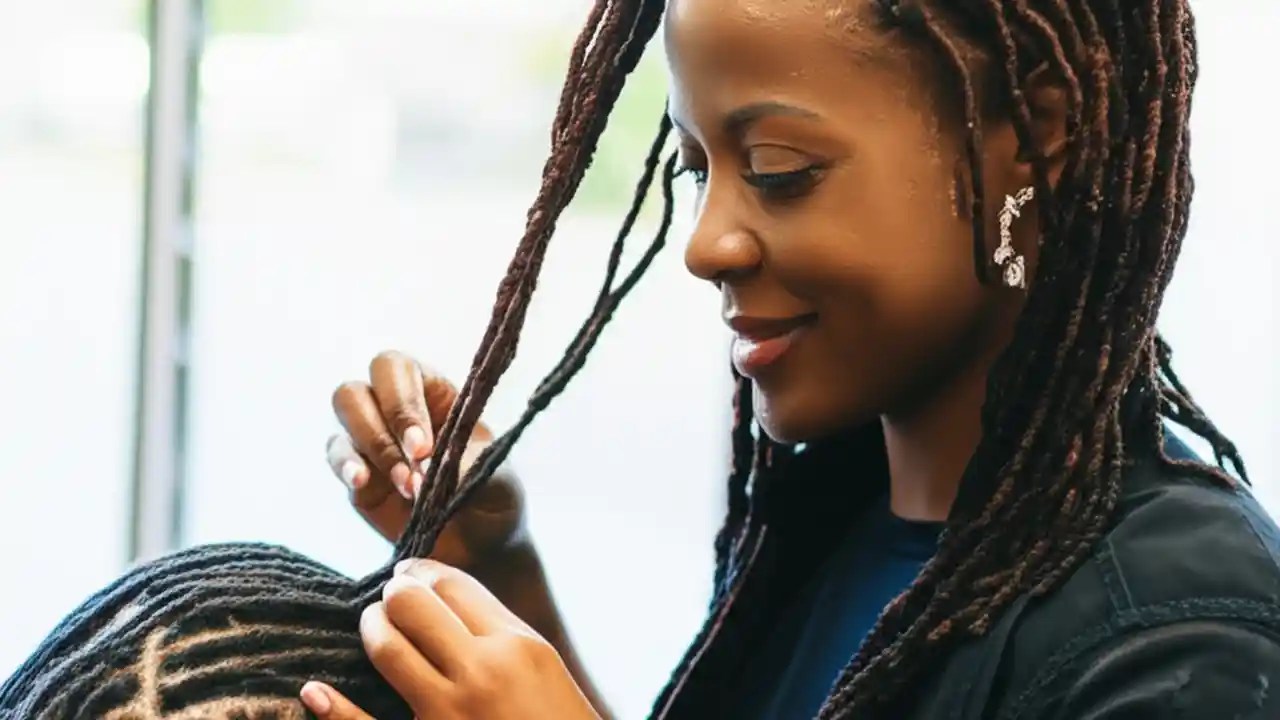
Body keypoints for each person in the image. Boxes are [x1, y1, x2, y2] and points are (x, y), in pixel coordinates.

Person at [302, 0, 1280, 718]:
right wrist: (501, 572)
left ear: (1039, 134)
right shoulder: (831, 526)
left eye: (780, 172)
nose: (704, 242)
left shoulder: (1175, 635)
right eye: (695, 170)